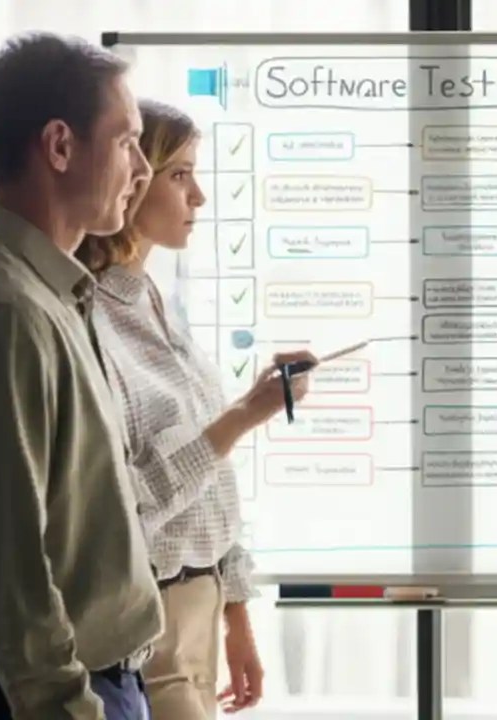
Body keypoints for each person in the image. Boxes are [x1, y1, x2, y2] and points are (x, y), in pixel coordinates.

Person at [0, 32, 161, 719]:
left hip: (75, 688)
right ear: (59, 147)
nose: (141, 169)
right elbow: (5, 577)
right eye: (126, 142)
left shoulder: (42, 292)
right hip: (41, 700)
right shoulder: (2, 312)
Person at [74, 99, 319, 718]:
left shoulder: (154, 298)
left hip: (199, 609)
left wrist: (237, 616)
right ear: (131, 182)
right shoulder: (87, 319)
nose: (200, 196)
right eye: (179, 175)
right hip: (146, 628)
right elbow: (126, 510)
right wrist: (240, 416)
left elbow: (211, 482)